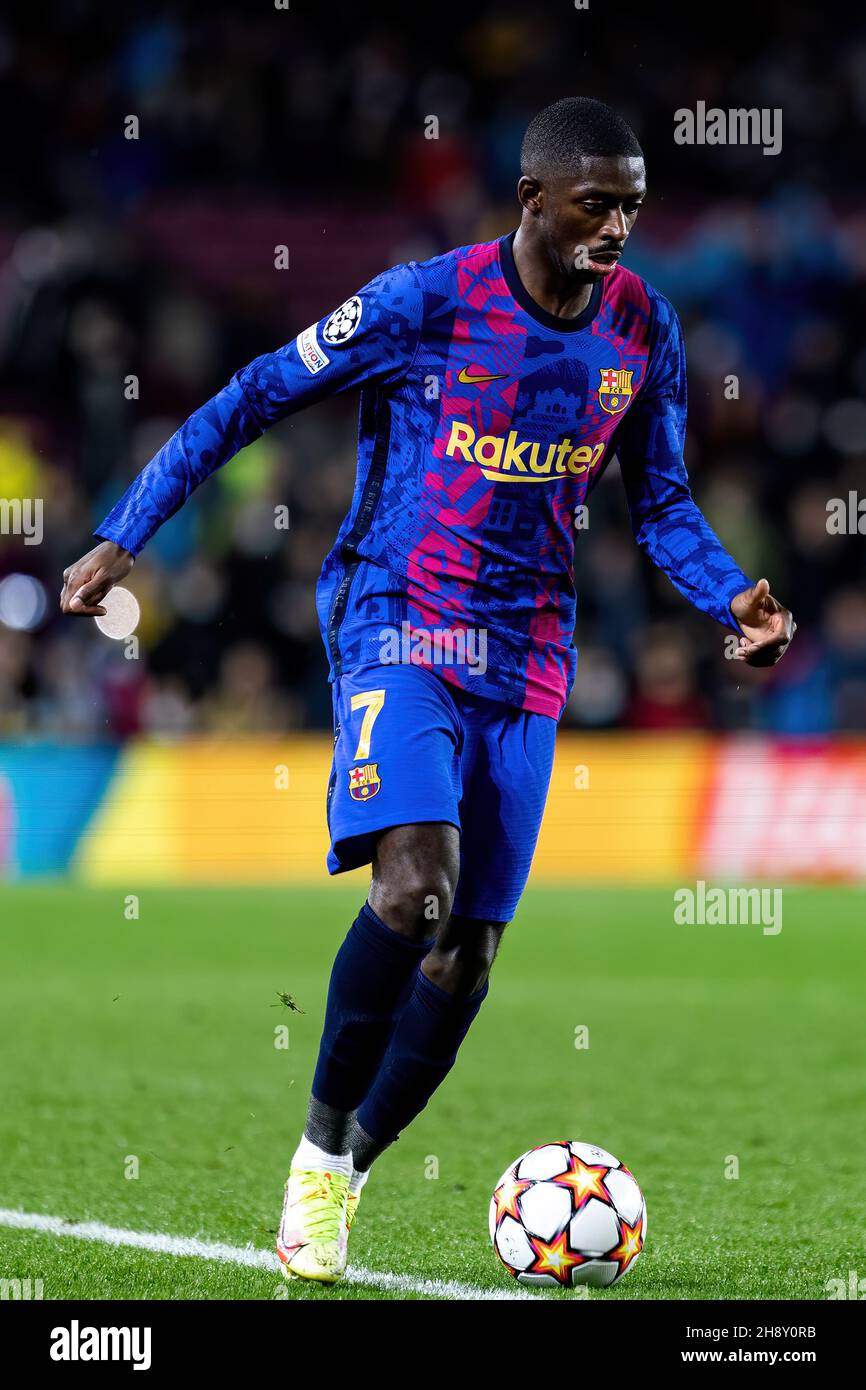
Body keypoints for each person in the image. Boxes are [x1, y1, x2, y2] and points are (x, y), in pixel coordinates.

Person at [60, 97, 795, 1285]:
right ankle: (311, 1148)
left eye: (631, 208)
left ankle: (353, 1167)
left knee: (469, 955)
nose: (614, 226)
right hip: (400, 621)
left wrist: (730, 602)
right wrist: (124, 534)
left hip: (528, 657)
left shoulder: (638, 328)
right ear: (531, 200)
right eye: (593, 203)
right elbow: (253, 392)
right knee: (415, 895)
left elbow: (656, 500)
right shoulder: (424, 303)